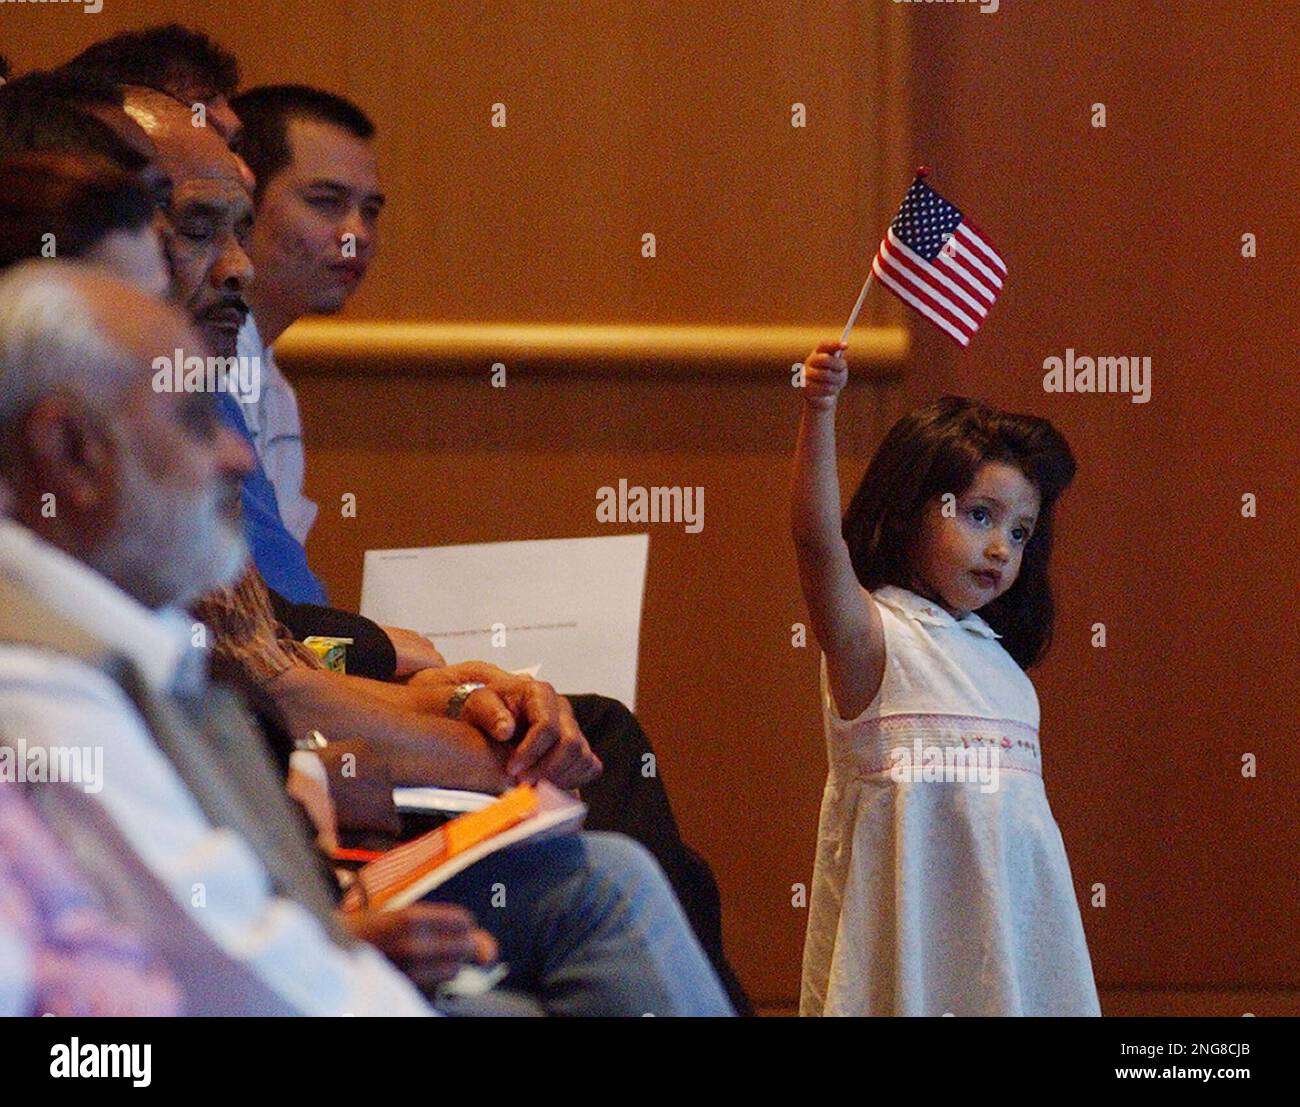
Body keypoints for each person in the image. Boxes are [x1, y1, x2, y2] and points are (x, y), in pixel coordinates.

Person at [0, 261, 732, 1016]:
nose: (235, 457)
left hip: (291, 939)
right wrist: (347, 944)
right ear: (69, 448)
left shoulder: (113, 633)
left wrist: (432, 702)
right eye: (193, 420)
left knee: (598, 880)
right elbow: (243, 973)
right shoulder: (43, 678)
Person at [229, 82, 752, 1010]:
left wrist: (439, 683)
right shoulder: (162, 381)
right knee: (592, 765)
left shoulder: (265, 381)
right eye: (324, 201)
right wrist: (408, 668)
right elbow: (268, 665)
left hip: (300, 711)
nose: (356, 233)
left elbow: (287, 632)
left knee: (611, 802)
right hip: (276, 771)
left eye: (373, 209)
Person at [791, 340, 1100, 1016]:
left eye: (1021, 532)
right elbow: (818, 544)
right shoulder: (873, 638)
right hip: (909, 961)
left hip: (1006, 967)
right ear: (910, 507)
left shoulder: (1006, 671)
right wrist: (820, 411)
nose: (1000, 547)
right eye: (979, 515)